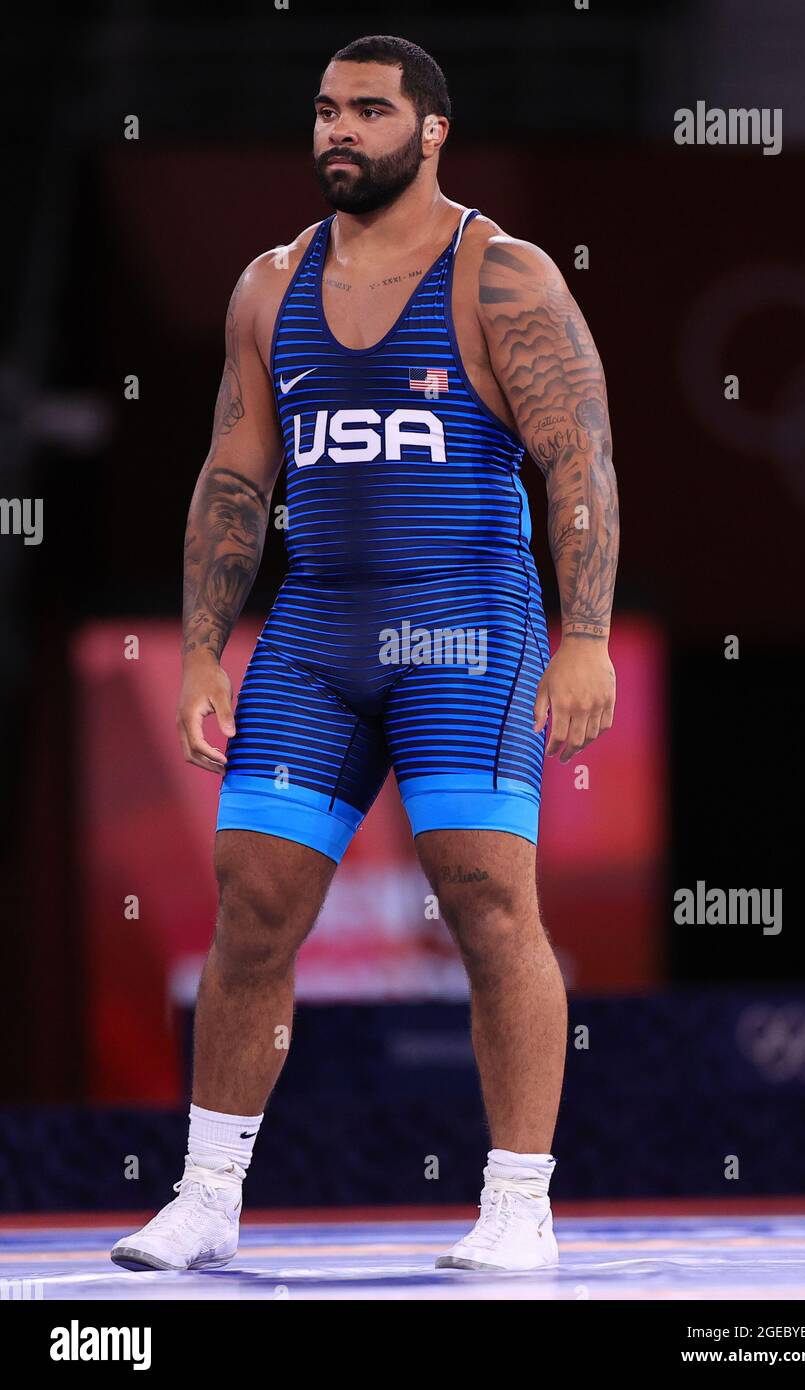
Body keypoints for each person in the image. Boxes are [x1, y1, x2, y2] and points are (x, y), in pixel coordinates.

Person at [111, 33, 618, 1276]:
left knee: (487, 903)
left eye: (369, 111)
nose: (339, 131)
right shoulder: (266, 286)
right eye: (326, 111)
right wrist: (196, 654)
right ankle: (208, 1195)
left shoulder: (503, 278)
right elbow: (234, 475)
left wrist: (585, 637)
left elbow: (578, 460)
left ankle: (517, 1204)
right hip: (317, 633)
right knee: (251, 906)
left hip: (468, 626)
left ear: (429, 128)